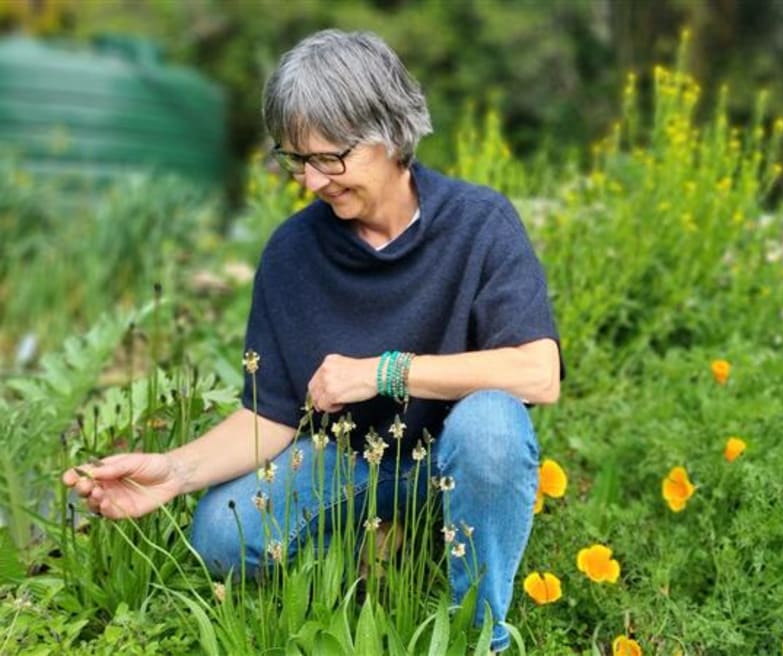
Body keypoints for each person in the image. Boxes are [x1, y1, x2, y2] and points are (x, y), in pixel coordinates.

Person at [62, 28, 561, 653]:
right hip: (348, 468)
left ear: (391, 132)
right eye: (296, 160)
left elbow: (539, 374)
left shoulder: (480, 223)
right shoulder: (292, 253)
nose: (310, 181)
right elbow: (267, 415)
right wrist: (173, 471)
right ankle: (367, 549)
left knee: (491, 423)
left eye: (330, 158)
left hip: (454, 459)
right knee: (220, 534)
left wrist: (387, 374)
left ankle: (480, 631)